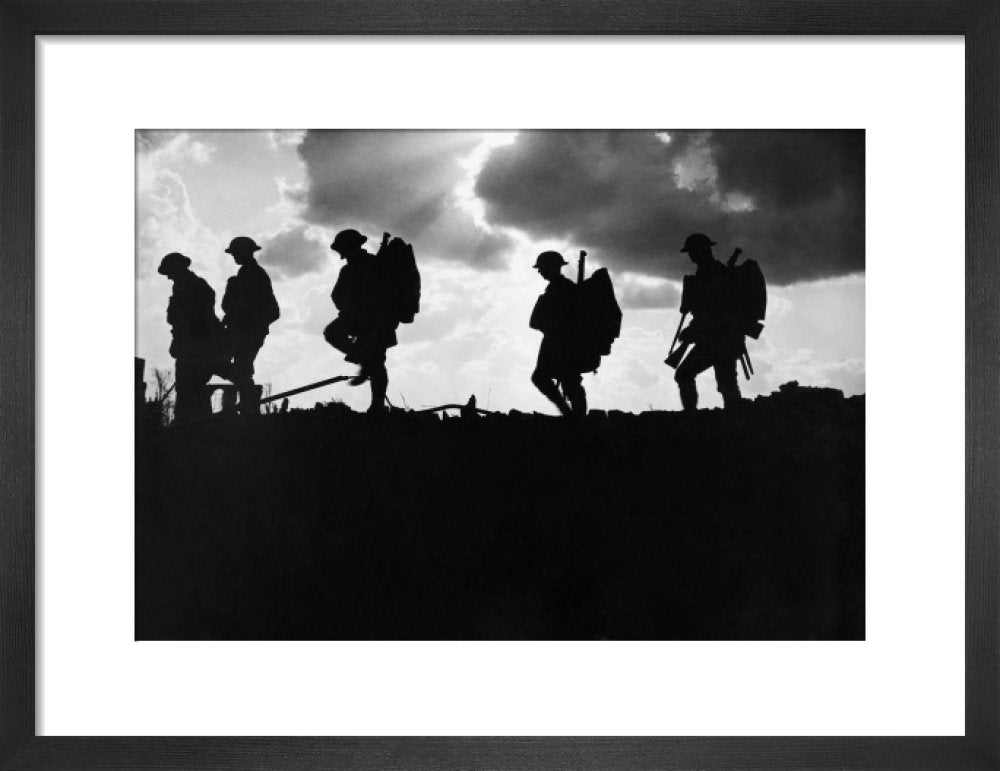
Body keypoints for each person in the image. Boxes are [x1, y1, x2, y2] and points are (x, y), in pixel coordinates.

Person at [324, 228, 399, 414]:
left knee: (377, 362)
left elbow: (385, 294)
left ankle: (377, 404)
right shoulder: (357, 267)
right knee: (374, 360)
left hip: (376, 322)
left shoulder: (371, 265)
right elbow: (338, 296)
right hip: (361, 320)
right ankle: (364, 362)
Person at [673, 233, 743, 411]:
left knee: (688, 375)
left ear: (703, 251)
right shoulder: (708, 273)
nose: (691, 255)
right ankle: (734, 419)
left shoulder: (714, 274)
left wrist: (692, 330)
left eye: (693, 251)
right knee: (726, 383)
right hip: (718, 339)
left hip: (720, 339)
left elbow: (715, 311)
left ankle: (696, 418)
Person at [158, 252, 226, 422]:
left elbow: (190, 318)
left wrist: (184, 338)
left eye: (169, 272)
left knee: (190, 385)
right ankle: (191, 423)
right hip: (194, 343)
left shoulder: (191, 286)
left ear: (177, 268)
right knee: (190, 386)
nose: (168, 277)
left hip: (196, 344)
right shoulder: (189, 285)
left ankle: (188, 424)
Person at [221, 236, 279, 414]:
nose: (234, 256)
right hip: (245, 330)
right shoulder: (247, 273)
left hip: (248, 331)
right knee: (239, 368)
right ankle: (250, 397)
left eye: (236, 253)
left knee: (238, 367)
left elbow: (247, 307)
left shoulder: (252, 274)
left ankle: (250, 402)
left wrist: (247, 325)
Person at [529, 250, 587, 417]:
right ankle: (572, 416)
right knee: (569, 380)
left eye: (542, 268)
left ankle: (571, 415)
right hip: (561, 342)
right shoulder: (562, 288)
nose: (540, 271)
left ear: (552, 267)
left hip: (561, 343)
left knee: (561, 380)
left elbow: (568, 318)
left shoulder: (561, 290)